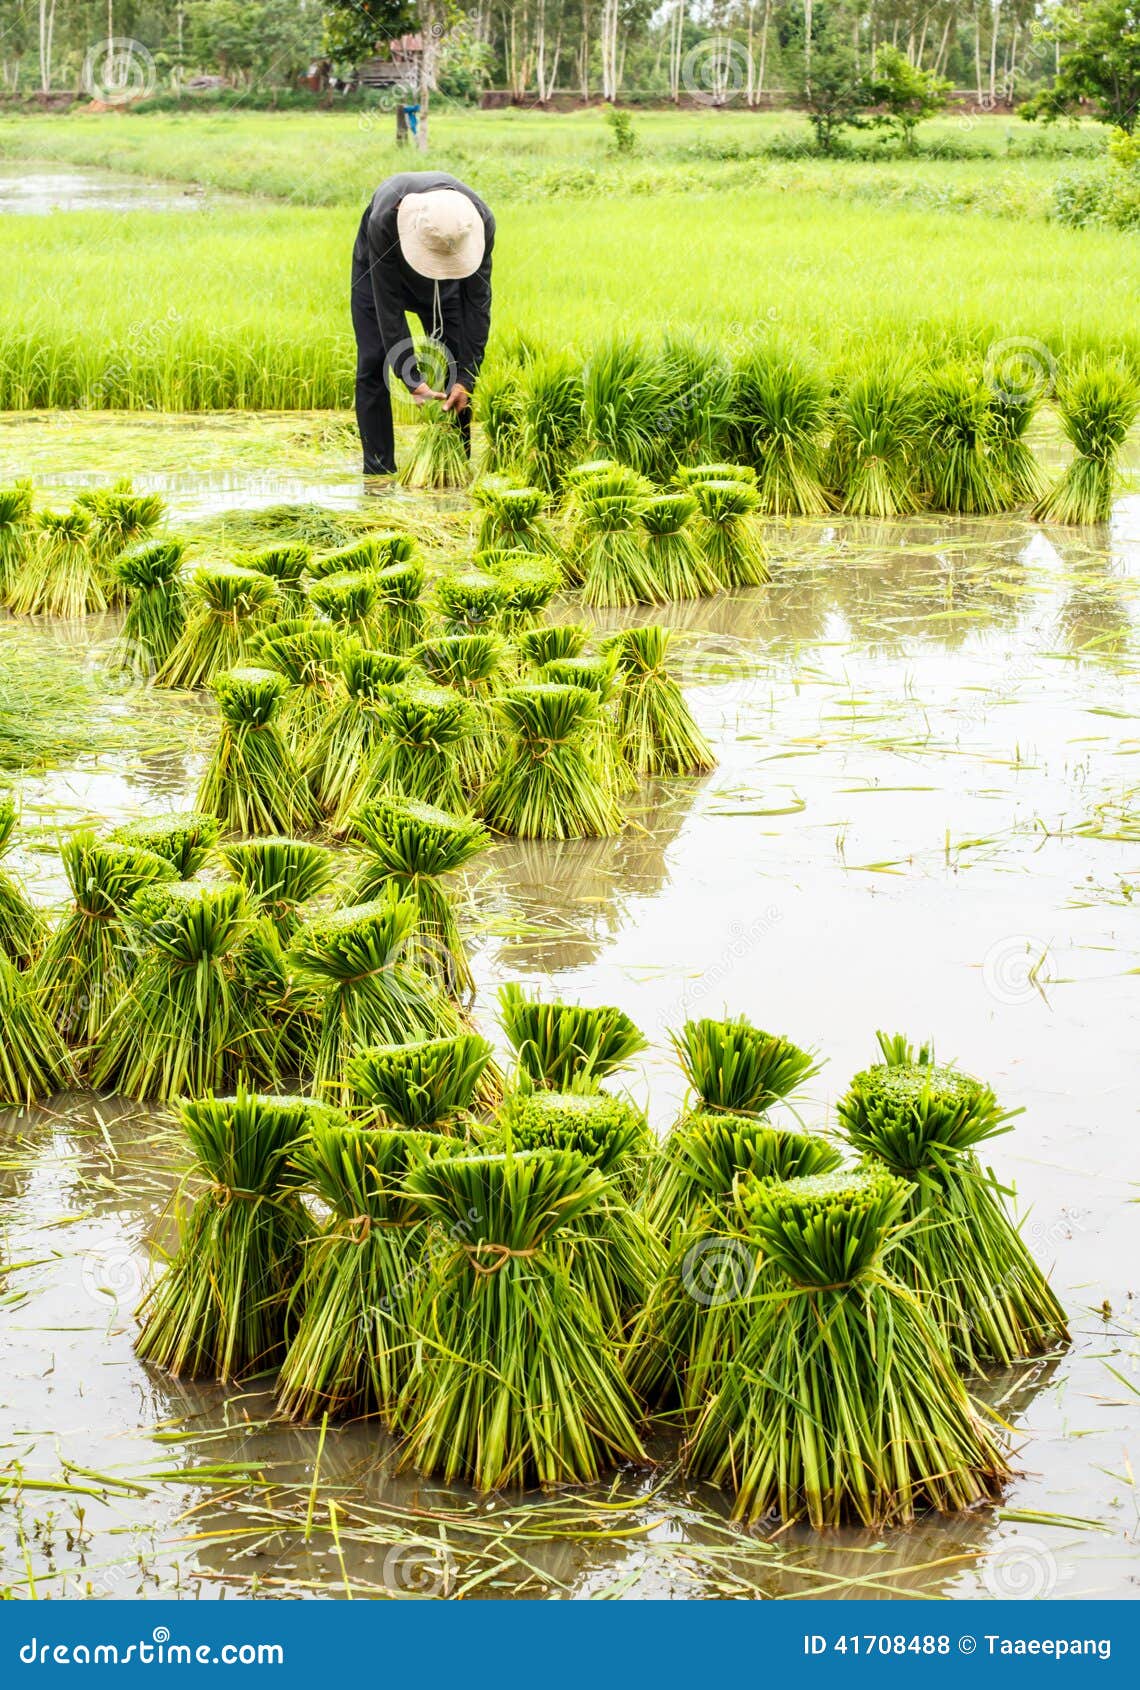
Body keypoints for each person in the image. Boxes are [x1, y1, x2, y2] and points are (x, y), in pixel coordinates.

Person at [351, 172, 494, 478]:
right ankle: (378, 472)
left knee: (455, 363)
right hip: (379, 270)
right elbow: (388, 306)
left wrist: (467, 379)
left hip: (448, 283)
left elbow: (477, 305)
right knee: (373, 360)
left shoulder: (480, 220)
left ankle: (453, 469)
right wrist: (411, 378)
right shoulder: (384, 219)